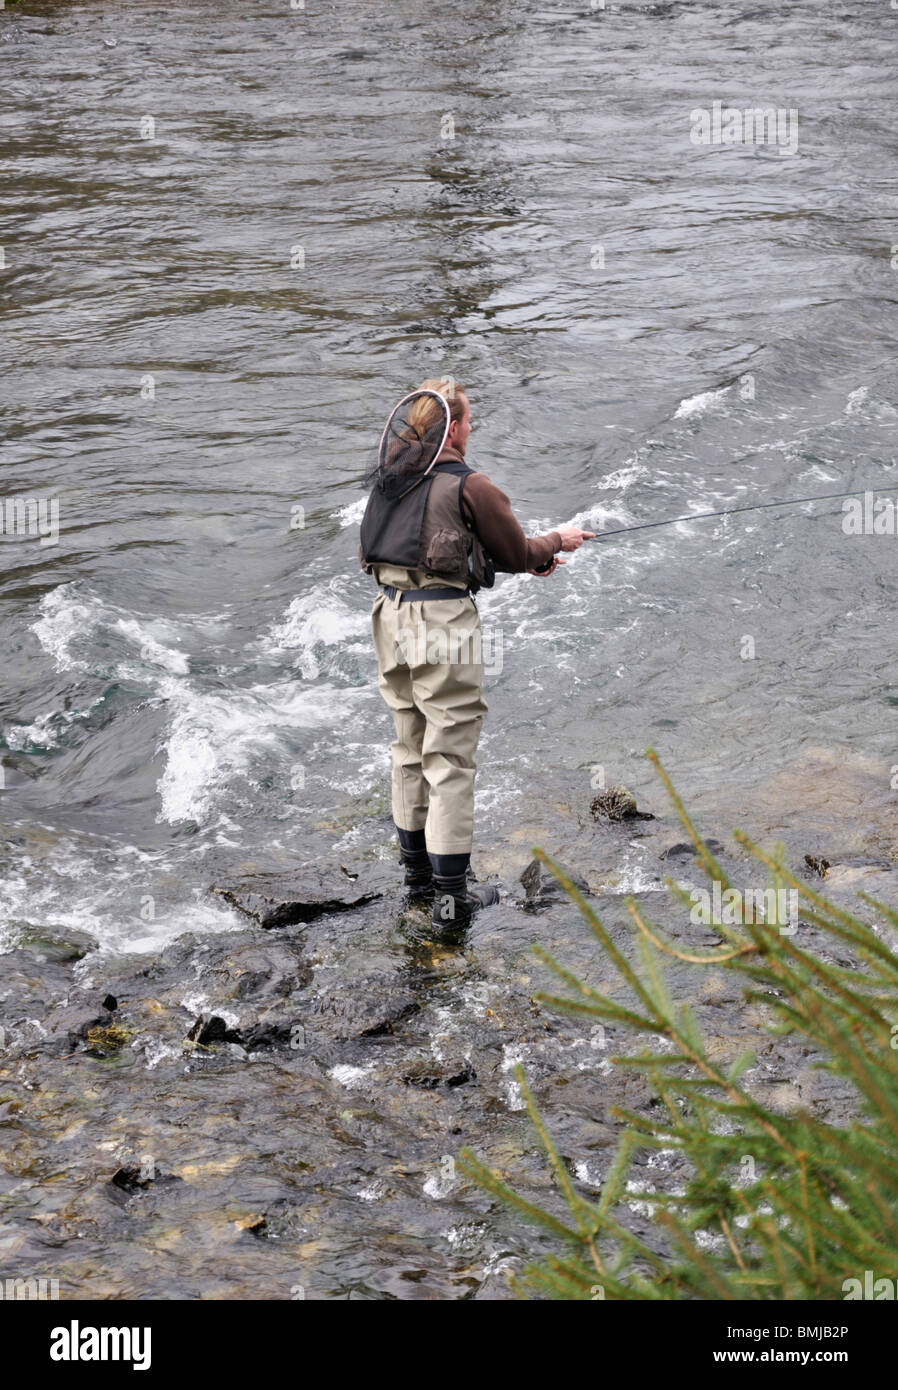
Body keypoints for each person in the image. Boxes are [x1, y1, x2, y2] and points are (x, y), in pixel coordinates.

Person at [360, 378, 594, 933]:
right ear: (455, 426)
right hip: (441, 622)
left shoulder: (391, 479)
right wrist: (557, 541)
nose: (472, 428)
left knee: (408, 745)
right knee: (450, 756)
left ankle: (417, 882)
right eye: (469, 420)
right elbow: (515, 553)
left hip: (387, 614)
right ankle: (450, 901)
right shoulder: (470, 484)